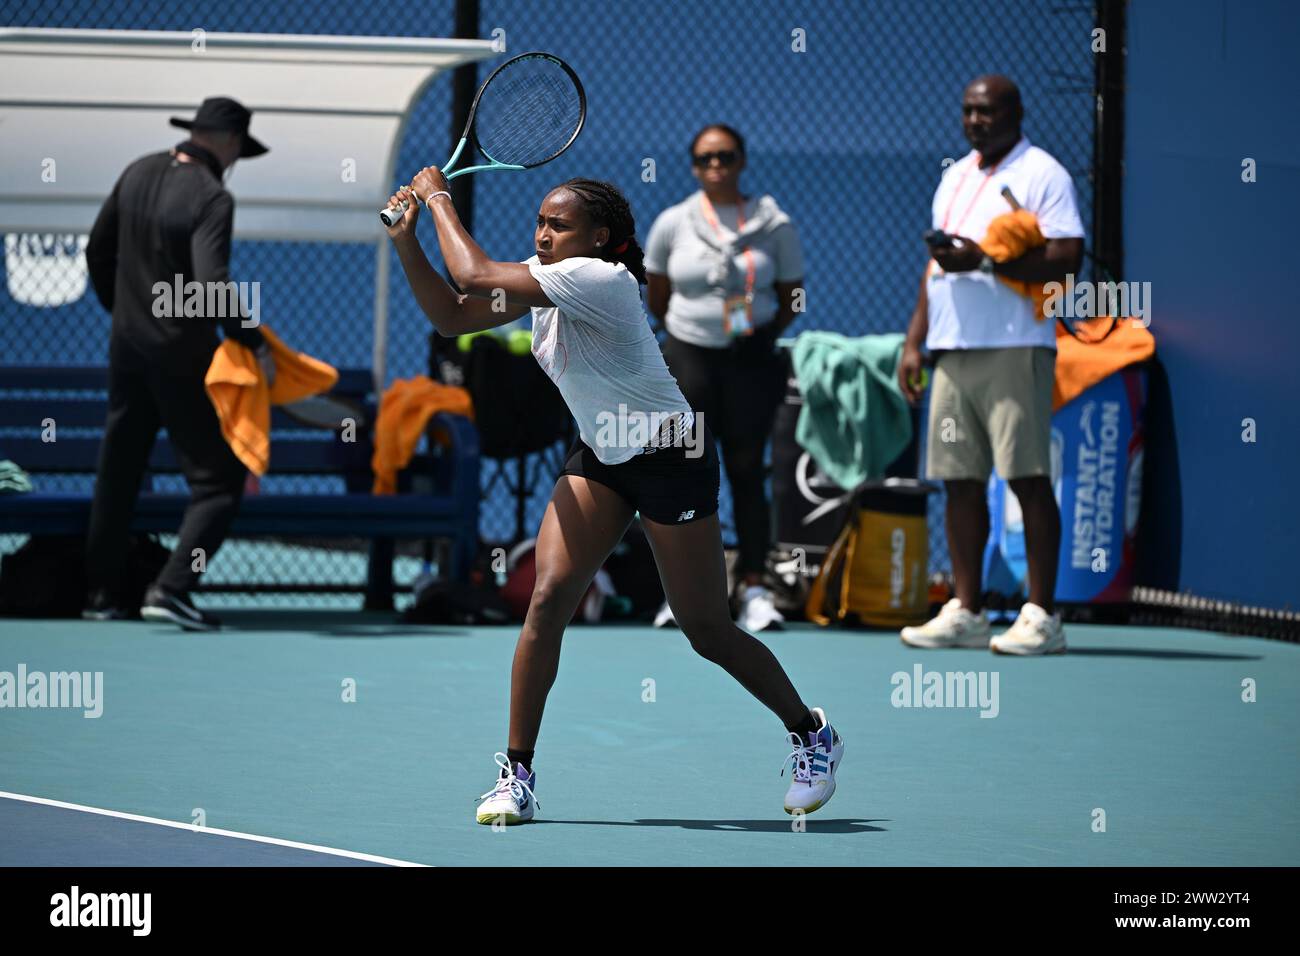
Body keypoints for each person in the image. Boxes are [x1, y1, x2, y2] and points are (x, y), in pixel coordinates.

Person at [384, 168, 841, 824]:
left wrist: (436, 199)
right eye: (540, 220)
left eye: (559, 224)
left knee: (705, 629)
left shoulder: (600, 280)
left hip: (670, 457)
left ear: (599, 238)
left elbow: (473, 275)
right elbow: (454, 316)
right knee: (546, 600)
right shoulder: (543, 278)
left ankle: (811, 733)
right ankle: (517, 774)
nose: (543, 232)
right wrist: (407, 243)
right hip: (602, 454)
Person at [897, 76, 1084, 655]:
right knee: (959, 481)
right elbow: (936, 270)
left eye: (988, 110)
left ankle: (1043, 615)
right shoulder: (955, 176)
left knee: (1027, 476)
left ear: (1015, 113)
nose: (976, 120)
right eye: (968, 110)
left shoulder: (1043, 174)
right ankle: (968, 610)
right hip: (952, 352)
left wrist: (985, 259)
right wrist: (914, 342)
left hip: (1014, 346)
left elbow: (1066, 260)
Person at [82, 97, 275, 631]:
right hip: (181, 356)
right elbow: (211, 286)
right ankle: (170, 589)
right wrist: (252, 340)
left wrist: (123, 313)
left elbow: (97, 252)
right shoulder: (213, 196)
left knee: (118, 471)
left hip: (126, 349)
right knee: (217, 481)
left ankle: (100, 597)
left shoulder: (136, 171)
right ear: (231, 144)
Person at [644, 124, 805, 633]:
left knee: (744, 469)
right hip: (688, 358)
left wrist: (758, 335)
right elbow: (657, 294)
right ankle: (684, 593)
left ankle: (755, 588)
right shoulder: (673, 222)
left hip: (750, 361)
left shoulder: (774, 223)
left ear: (742, 162)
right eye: (706, 158)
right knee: (684, 467)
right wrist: (688, 335)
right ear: (693, 166)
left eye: (726, 157)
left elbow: (792, 296)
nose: (716, 166)